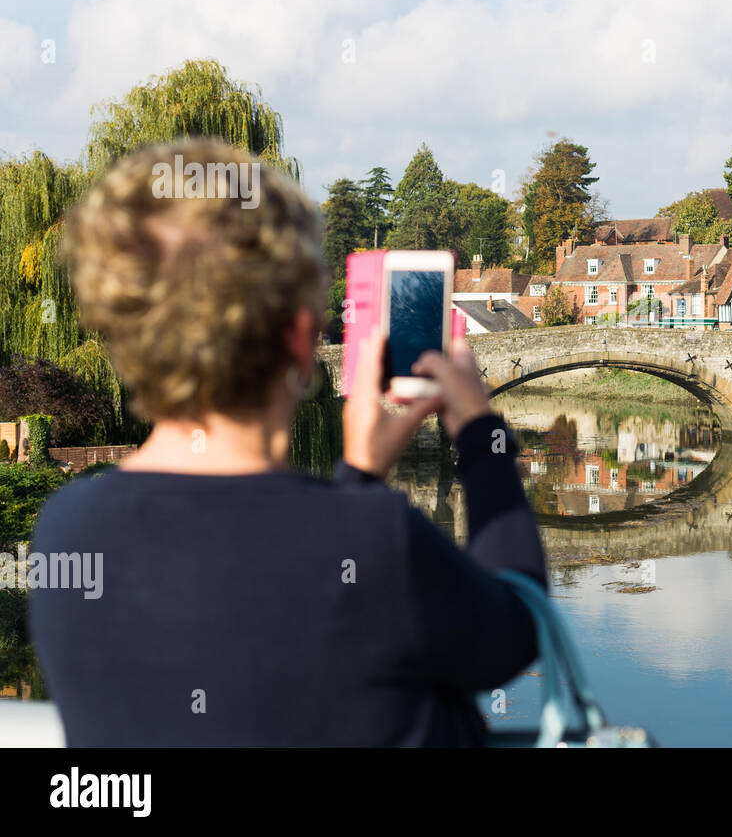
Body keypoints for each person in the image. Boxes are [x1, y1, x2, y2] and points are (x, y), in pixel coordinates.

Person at [28, 140, 546, 746]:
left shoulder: (67, 531)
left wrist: (358, 477)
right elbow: (517, 627)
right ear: (302, 342)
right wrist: (481, 439)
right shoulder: (374, 539)